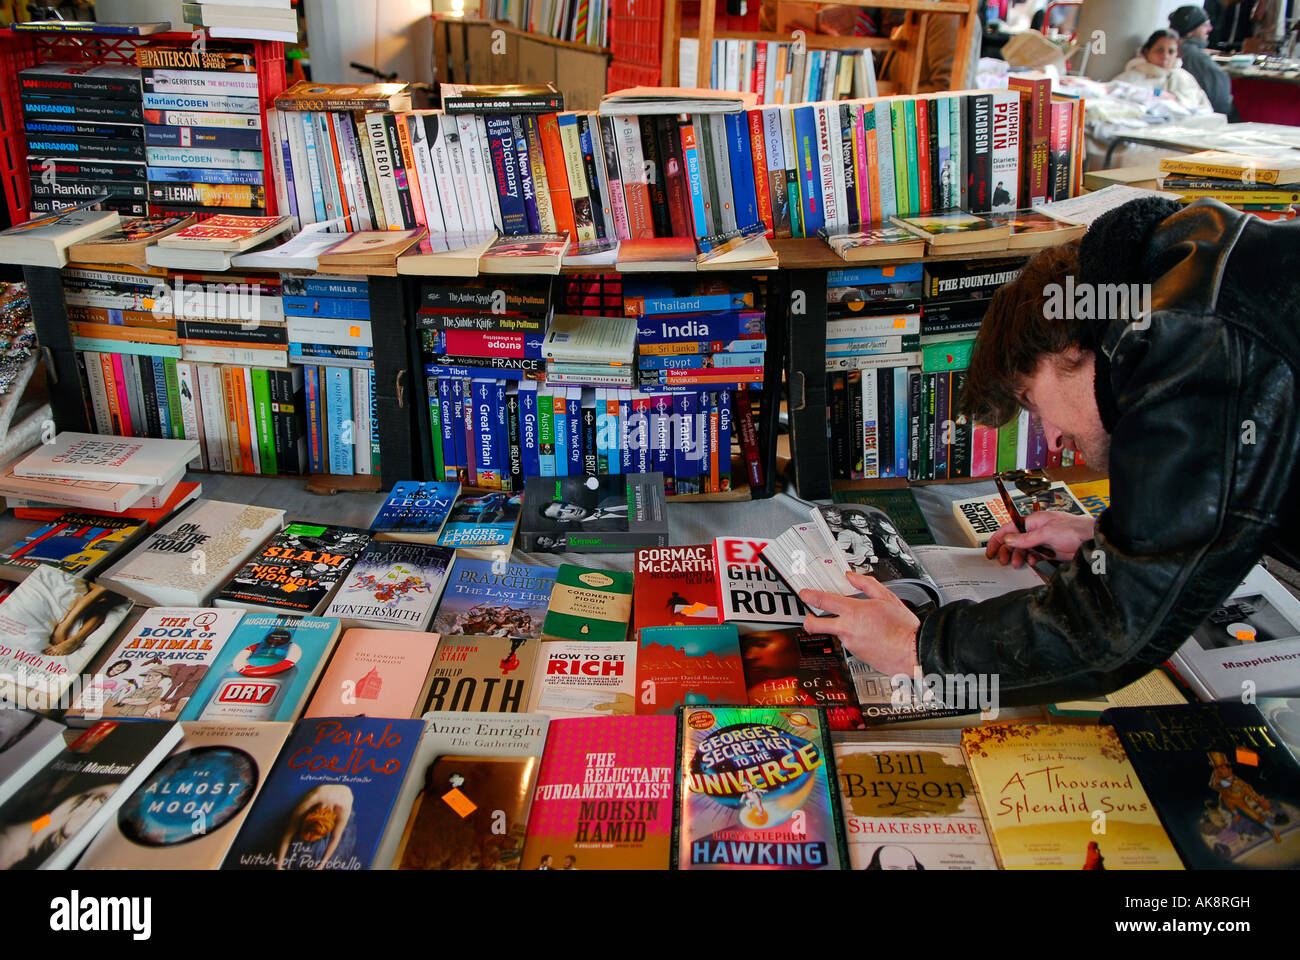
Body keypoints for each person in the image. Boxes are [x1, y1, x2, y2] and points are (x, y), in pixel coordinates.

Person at [800, 196, 1300, 706]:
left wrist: (918, 647)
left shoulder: (1187, 345)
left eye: (1032, 402)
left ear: (1071, 349)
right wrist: (1114, 539)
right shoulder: (1179, 294)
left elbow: (1109, 630)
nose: (1053, 436)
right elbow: (1237, 490)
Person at [1110, 28, 1213, 112]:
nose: (1165, 56)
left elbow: (1205, 109)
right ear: (1146, 52)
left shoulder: (1186, 78)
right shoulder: (1129, 79)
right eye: (1159, 50)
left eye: (1171, 52)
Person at [1169, 5, 1240, 120]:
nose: (1210, 28)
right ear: (1190, 32)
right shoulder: (1196, 57)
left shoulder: (1175, 49)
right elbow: (1219, 104)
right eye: (1205, 25)